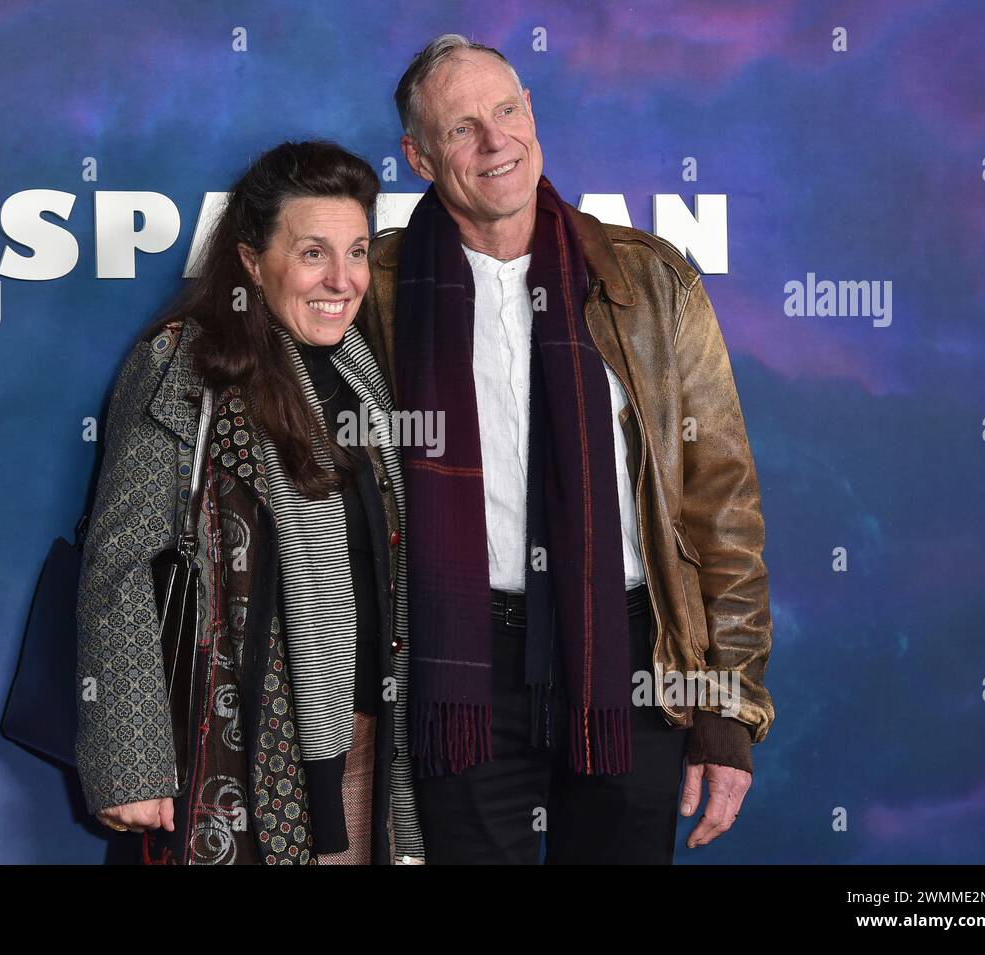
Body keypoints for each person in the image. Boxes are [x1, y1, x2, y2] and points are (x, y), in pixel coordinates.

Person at [354, 34, 775, 864]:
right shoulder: (376, 292)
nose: (495, 141)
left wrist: (726, 705)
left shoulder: (648, 281)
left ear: (533, 115)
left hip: (631, 661)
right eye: (462, 127)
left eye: (507, 110)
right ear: (419, 156)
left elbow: (721, 502)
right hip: (456, 665)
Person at [75, 140, 425, 865]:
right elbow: (122, 566)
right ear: (249, 260)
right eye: (312, 253)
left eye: (357, 251)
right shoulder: (184, 363)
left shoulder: (364, 371)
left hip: (367, 747)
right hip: (237, 748)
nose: (342, 278)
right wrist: (132, 762)